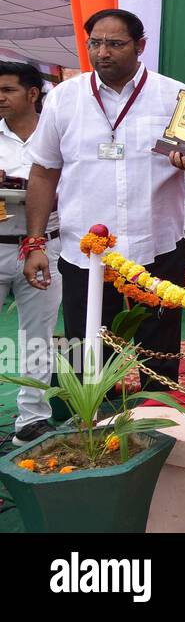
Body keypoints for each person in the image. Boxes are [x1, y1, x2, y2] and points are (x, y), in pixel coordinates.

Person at [23, 10, 185, 392]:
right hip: (85, 253)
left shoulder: (178, 97)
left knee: (159, 355)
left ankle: (161, 427)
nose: (102, 52)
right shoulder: (65, 98)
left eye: (115, 43)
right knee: (86, 355)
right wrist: (35, 241)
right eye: (95, 43)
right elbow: (44, 172)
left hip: (156, 247)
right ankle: (91, 432)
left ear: (140, 46)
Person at [0, 62, 62, 445]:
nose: (0, 98)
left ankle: (32, 419)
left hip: (44, 244)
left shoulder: (55, 133)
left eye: (7, 90)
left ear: (33, 94)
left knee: (37, 337)